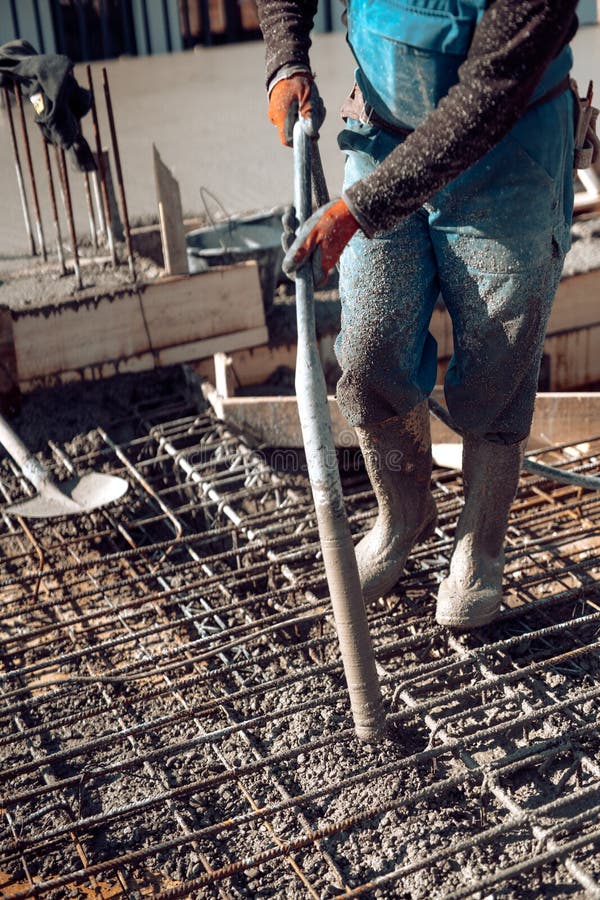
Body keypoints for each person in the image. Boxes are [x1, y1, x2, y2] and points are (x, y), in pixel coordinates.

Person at [256, 0, 579, 628]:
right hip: (383, 128)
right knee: (372, 347)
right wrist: (285, 54)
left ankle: (480, 545)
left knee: (498, 359)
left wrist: (357, 209)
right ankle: (403, 513)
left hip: (510, 145)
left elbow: (487, 98)